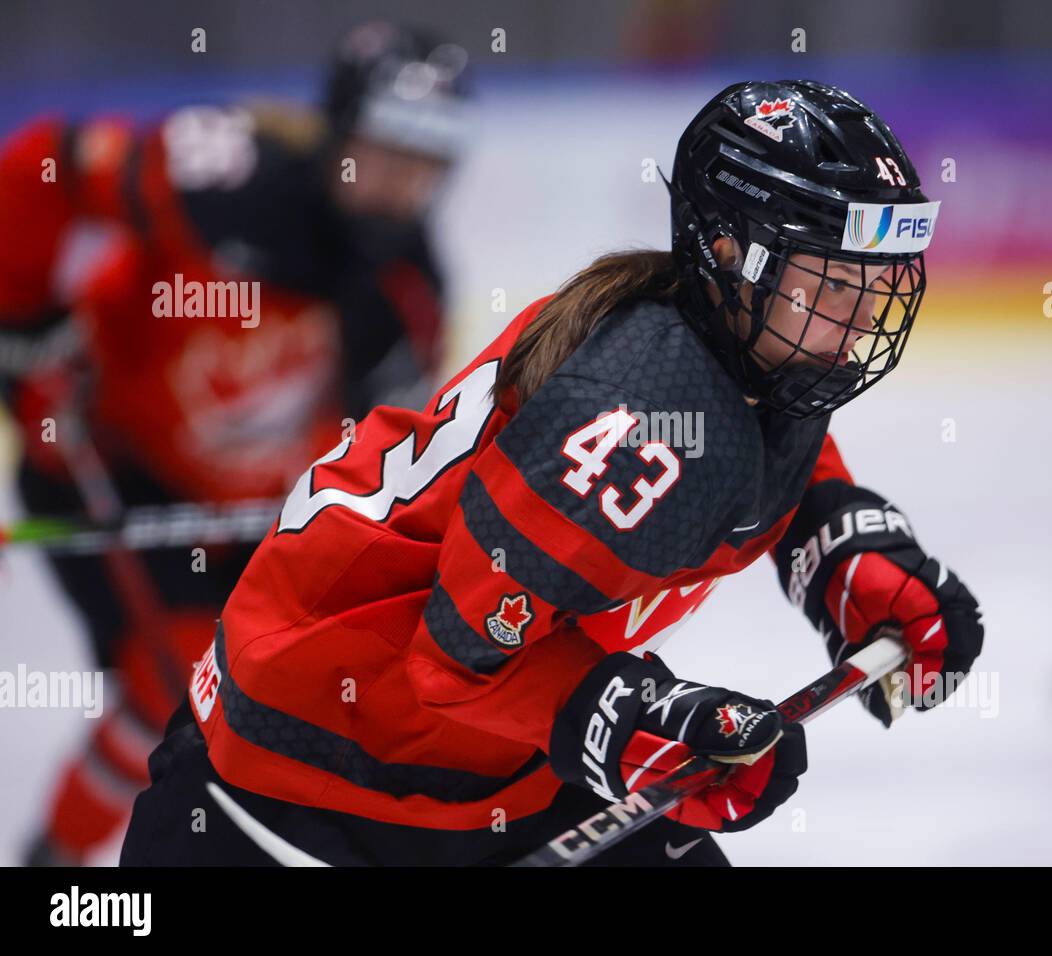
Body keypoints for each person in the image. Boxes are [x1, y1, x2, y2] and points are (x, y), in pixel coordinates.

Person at [119, 80, 985, 867]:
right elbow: (462, 655)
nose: (861, 318)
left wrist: (837, 547)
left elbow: (765, 449)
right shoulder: (634, 413)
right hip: (290, 793)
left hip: (484, 776)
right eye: (834, 284)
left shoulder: (747, 355)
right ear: (729, 249)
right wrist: (641, 720)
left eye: (874, 285)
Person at [0, 20, 468, 865]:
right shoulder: (228, 178)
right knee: (178, 681)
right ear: (338, 131)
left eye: (431, 163)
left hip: (241, 516)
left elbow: (382, 459)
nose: (404, 185)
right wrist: (26, 329)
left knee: (291, 700)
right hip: (106, 462)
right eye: (388, 149)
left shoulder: (407, 293)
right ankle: (56, 867)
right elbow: (48, 164)